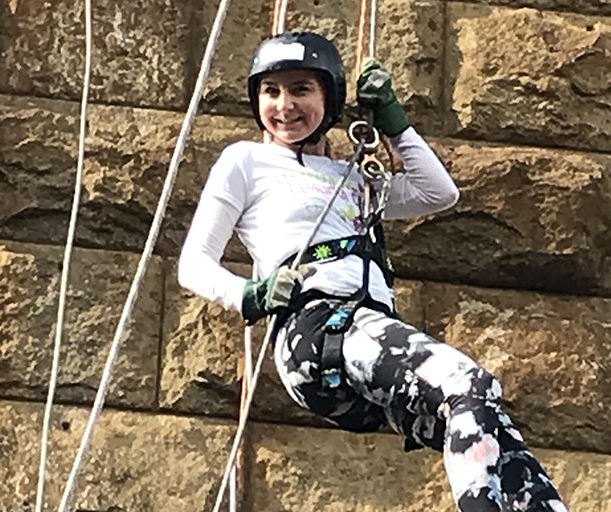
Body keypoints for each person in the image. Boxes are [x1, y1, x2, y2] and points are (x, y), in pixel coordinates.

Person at [178, 31, 568, 512]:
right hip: (317, 329)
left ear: (330, 97)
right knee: (467, 384)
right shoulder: (246, 162)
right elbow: (194, 262)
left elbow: (438, 192)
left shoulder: (358, 178)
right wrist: (250, 294)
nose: (284, 105)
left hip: (365, 341)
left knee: (492, 430)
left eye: (301, 89)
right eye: (271, 91)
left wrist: (394, 123)